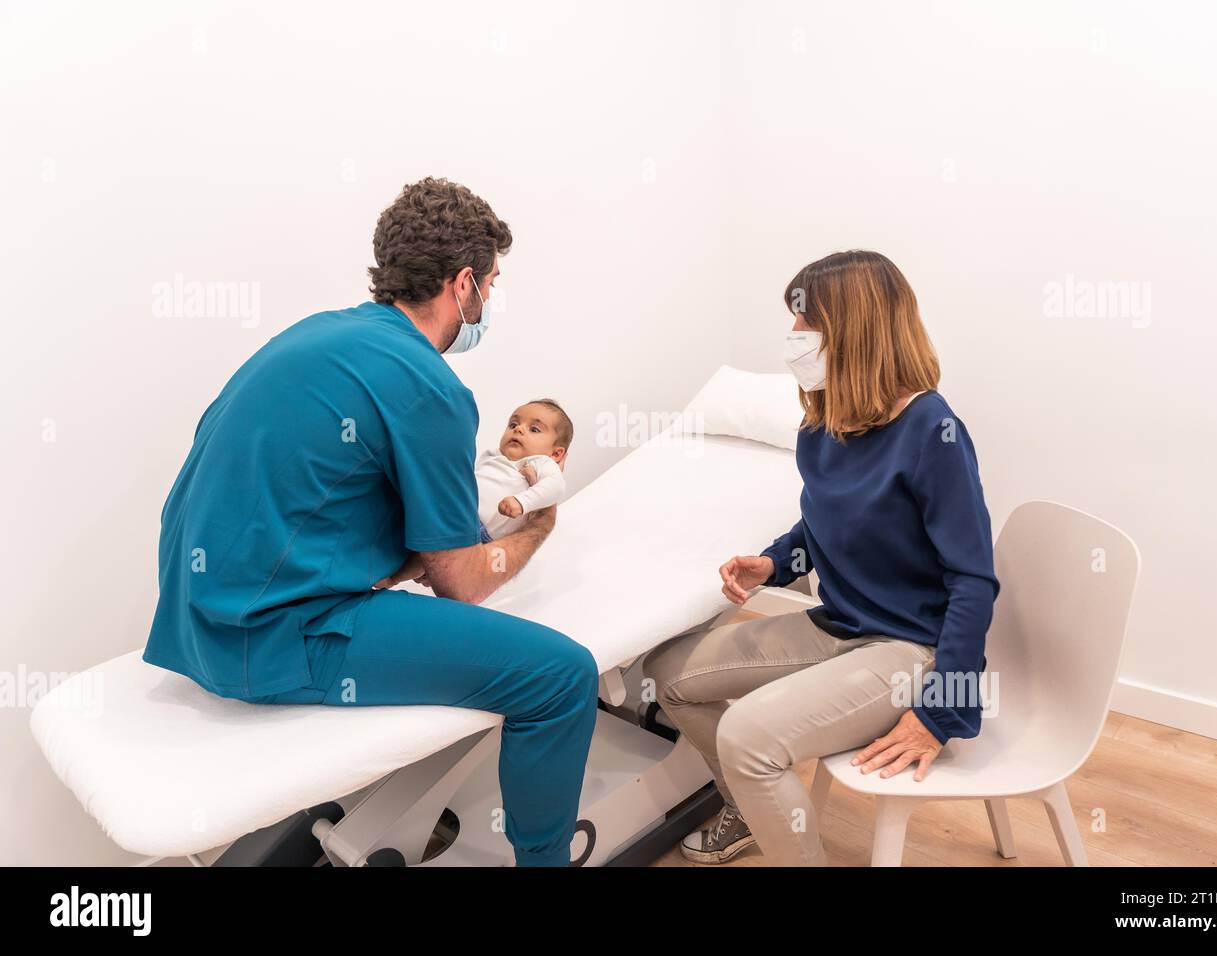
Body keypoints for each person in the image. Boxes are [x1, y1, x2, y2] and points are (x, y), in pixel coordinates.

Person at [143, 177, 598, 867]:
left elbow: (315, 492)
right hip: (265, 638)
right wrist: (539, 526)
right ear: (464, 284)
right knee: (562, 676)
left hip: (190, 615)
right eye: (490, 285)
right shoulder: (430, 386)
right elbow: (463, 584)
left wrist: (410, 553)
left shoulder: (316, 334)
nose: (487, 302)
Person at [642, 250, 999, 866]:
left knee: (748, 737)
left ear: (854, 329)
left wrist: (939, 712)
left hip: (910, 648)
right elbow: (826, 523)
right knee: (667, 674)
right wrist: (775, 563)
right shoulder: (825, 421)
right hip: (840, 626)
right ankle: (750, 808)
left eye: (806, 323)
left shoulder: (931, 429)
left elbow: (973, 579)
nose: (794, 337)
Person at [476, 400, 571, 540]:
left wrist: (522, 502)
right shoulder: (492, 455)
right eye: (513, 424)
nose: (518, 429)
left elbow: (556, 486)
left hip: (481, 534)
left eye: (534, 429)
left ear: (556, 454)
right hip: (457, 507)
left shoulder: (540, 462)